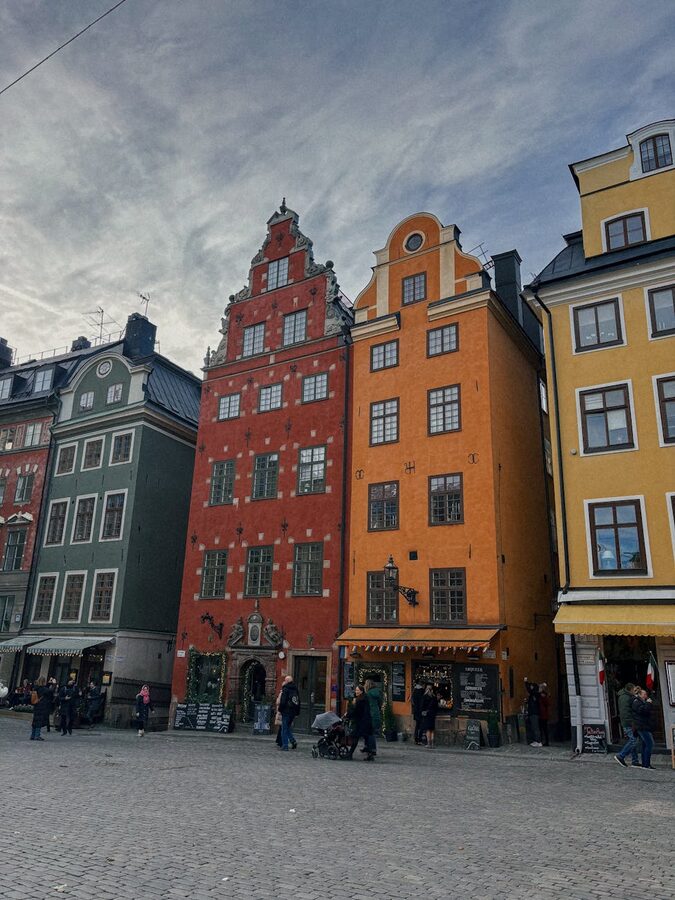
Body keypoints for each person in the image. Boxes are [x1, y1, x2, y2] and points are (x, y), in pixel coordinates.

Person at [614, 682, 639, 768]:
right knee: (633, 740)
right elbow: (625, 712)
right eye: (634, 690)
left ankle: (635, 760)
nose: (635, 691)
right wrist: (631, 722)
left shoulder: (626, 696)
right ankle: (621, 755)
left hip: (629, 722)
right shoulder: (625, 698)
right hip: (629, 722)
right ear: (630, 689)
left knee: (633, 740)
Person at [631, 688, 655, 770]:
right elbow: (642, 711)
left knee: (645, 744)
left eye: (646, 694)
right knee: (650, 744)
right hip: (641, 726)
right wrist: (648, 703)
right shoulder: (636, 702)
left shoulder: (641, 702)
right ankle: (646, 764)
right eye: (644, 694)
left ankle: (645, 764)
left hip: (644, 725)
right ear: (640, 694)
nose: (646, 696)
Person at [345, 684, 372, 759]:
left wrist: (348, 714)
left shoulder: (360, 700)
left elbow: (355, 711)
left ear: (361, 691)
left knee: (355, 737)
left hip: (360, 721)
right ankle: (370, 754)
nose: (356, 692)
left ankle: (350, 754)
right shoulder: (363, 698)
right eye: (356, 690)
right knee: (366, 738)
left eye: (357, 690)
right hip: (365, 721)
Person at [278, 674, 300, 751]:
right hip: (293, 712)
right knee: (288, 728)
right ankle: (292, 740)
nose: (284, 681)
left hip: (286, 711)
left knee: (284, 728)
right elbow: (298, 701)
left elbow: (283, 701)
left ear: (287, 681)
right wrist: (297, 712)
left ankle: (285, 745)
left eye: (285, 680)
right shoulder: (295, 689)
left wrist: (280, 710)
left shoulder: (286, 689)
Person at [363, 679, 381, 761]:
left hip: (370, 714)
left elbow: (365, 705)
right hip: (376, 714)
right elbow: (380, 703)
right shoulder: (377, 692)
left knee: (369, 733)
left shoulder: (368, 694)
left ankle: (370, 750)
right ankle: (370, 749)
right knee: (371, 733)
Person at [30, 677, 51, 741]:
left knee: (35, 720)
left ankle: (32, 735)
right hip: (42, 706)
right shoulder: (45, 689)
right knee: (39, 721)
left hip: (36, 705)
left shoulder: (35, 688)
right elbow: (50, 692)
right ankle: (37, 735)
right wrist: (51, 684)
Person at [524, 679, 542, 747]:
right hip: (533, 713)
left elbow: (529, 690)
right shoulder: (535, 694)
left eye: (531, 686)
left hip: (534, 713)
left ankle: (538, 741)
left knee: (535, 727)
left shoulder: (534, 694)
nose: (530, 687)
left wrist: (526, 682)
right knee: (534, 727)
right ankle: (536, 740)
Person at [421, 685, 439, 749]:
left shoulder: (424, 696)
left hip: (427, 714)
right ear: (432, 690)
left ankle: (429, 744)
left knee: (428, 730)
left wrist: (423, 711)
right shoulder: (434, 697)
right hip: (432, 714)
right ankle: (433, 744)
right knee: (432, 730)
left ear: (426, 689)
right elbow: (436, 706)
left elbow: (422, 706)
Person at [538, 683, 550, 747]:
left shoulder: (543, 695)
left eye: (540, 688)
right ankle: (543, 741)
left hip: (543, 715)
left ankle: (545, 741)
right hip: (542, 715)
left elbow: (547, 704)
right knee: (543, 729)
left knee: (543, 729)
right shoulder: (541, 695)